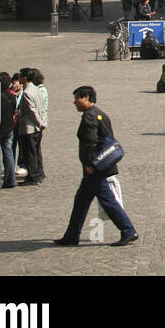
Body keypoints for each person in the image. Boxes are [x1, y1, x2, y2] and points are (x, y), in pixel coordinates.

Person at [53, 86, 138, 247]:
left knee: (107, 201)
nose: (74, 102)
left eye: (77, 98)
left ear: (86, 98)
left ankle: (128, 230)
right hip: (99, 166)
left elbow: (90, 143)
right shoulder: (100, 114)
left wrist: (89, 164)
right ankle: (71, 234)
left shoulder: (89, 117)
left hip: (94, 169)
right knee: (81, 201)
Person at [16, 69, 46, 184]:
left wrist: (39, 122)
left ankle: (33, 176)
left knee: (30, 153)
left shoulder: (27, 92)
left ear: (24, 78)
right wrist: (43, 122)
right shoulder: (37, 89)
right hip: (38, 128)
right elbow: (42, 107)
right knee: (36, 151)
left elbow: (31, 111)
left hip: (29, 128)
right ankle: (39, 172)